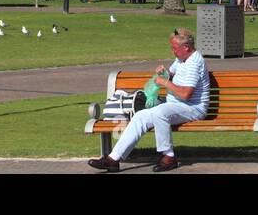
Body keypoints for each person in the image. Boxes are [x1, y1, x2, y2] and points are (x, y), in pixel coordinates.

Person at [88, 28, 209, 173]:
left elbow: (186, 94)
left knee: (159, 112)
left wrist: (164, 83)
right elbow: (171, 74)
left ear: (186, 47)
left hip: (193, 108)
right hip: (176, 105)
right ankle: (113, 159)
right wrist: (164, 73)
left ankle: (169, 156)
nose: (173, 52)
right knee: (140, 116)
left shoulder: (194, 62)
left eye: (175, 48)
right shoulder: (181, 59)